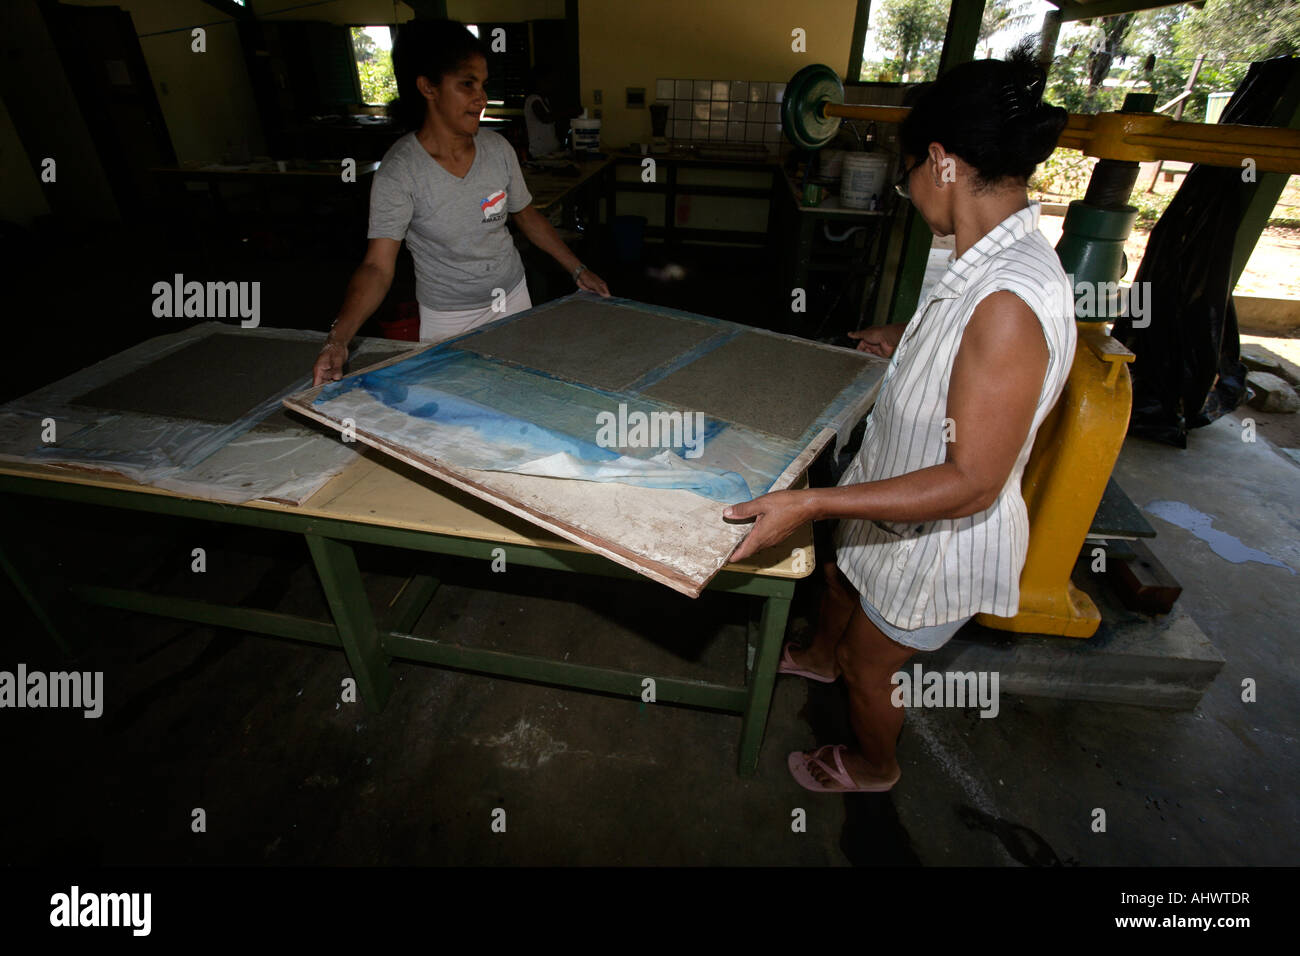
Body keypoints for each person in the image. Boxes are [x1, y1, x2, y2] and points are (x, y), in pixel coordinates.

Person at [723, 39, 1076, 793]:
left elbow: (972, 481)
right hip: (892, 499)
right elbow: (965, 348)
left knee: (869, 669)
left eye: (908, 170)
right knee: (840, 583)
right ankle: (819, 654)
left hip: (936, 540)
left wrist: (812, 499)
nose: (907, 189)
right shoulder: (974, 251)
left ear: (942, 160)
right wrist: (909, 339)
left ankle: (874, 765)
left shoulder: (1009, 301)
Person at [312, 20, 609, 386]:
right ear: (428, 87)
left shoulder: (498, 150)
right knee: (457, 416)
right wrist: (338, 340)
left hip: (512, 300)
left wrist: (578, 270)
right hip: (449, 318)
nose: (480, 97)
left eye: (483, 85)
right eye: (467, 84)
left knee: (521, 397)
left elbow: (527, 216)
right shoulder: (401, 170)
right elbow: (377, 267)